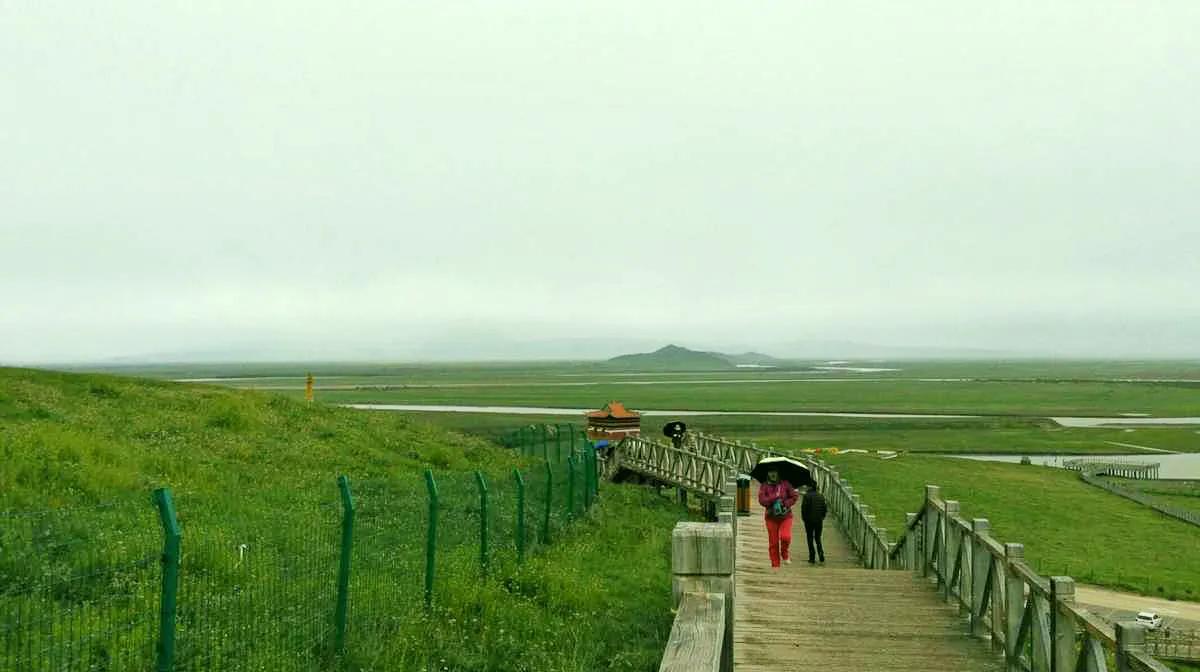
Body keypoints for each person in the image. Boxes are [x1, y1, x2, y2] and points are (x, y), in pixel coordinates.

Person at [757, 469, 799, 569]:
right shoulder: (764, 486)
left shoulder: (785, 483)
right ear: (767, 473)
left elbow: (794, 496)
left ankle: (784, 554)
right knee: (774, 543)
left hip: (785, 516)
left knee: (786, 537)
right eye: (770, 472)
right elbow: (762, 500)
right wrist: (774, 498)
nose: (773, 474)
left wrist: (785, 503)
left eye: (775, 471)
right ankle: (775, 566)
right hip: (771, 517)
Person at [801, 482, 828, 564]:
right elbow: (824, 509)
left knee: (810, 538)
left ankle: (812, 556)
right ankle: (821, 553)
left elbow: (804, 509)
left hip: (809, 521)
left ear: (809, 487)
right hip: (819, 521)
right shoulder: (821, 496)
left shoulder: (806, 496)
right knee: (817, 538)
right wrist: (822, 517)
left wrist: (804, 519)